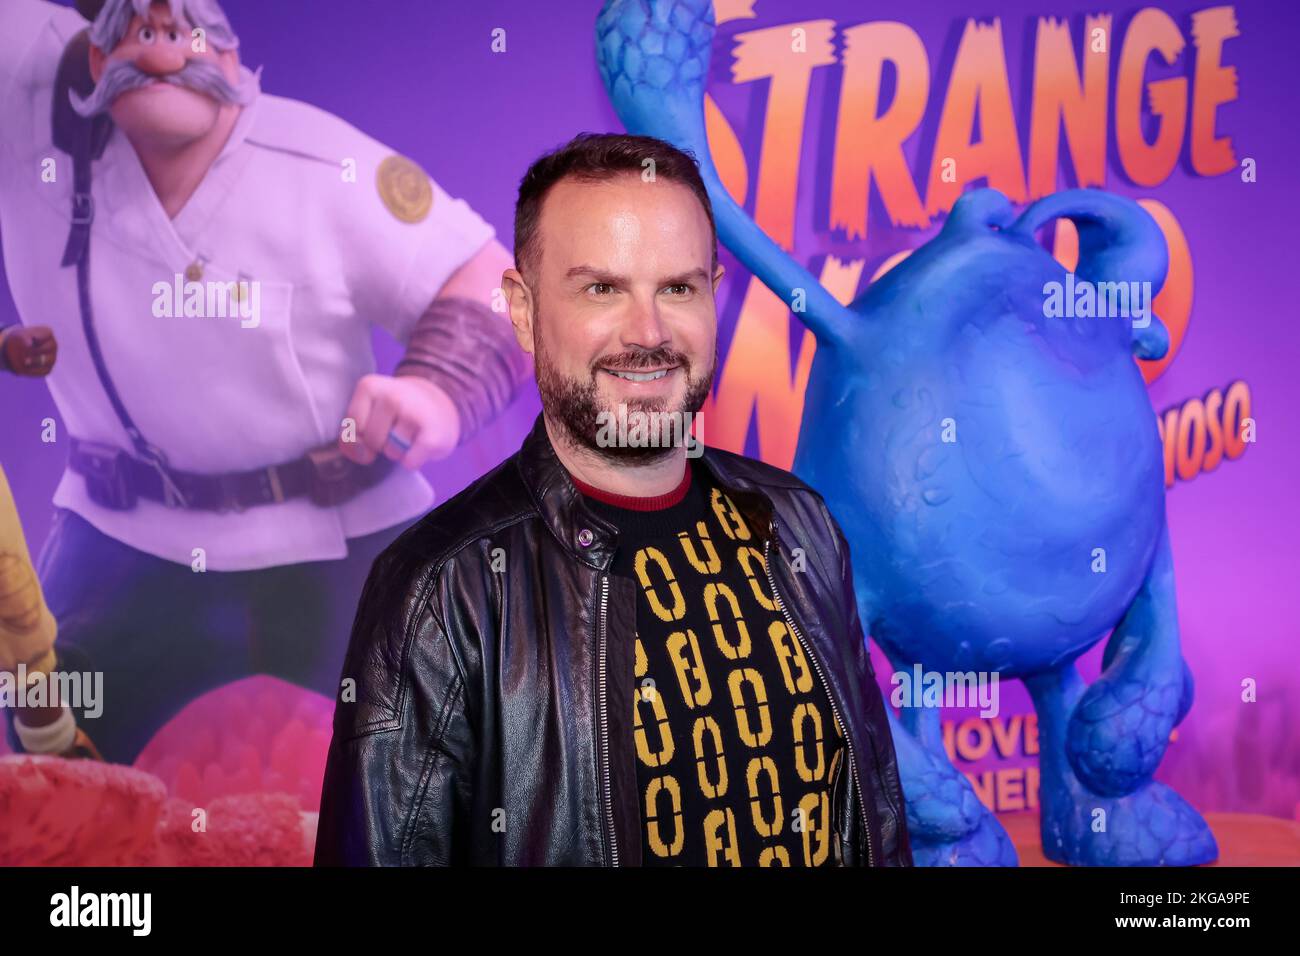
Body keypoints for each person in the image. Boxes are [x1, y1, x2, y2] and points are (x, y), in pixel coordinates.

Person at [315, 132, 911, 866]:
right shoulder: (441, 588)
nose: (649, 332)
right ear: (524, 311)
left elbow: (875, 822)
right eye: (602, 289)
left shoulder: (801, 525)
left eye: (678, 287)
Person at [0, 0, 532, 762]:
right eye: (129, 29)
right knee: (59, 779)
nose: (154, 47)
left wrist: (438, 387)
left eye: (178, 29)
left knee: (402, 775)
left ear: (227, 52)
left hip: (333, 538)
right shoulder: (26, 92)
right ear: (92, 51)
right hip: (114, 534)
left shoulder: (316, 162)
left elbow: (485, 283)